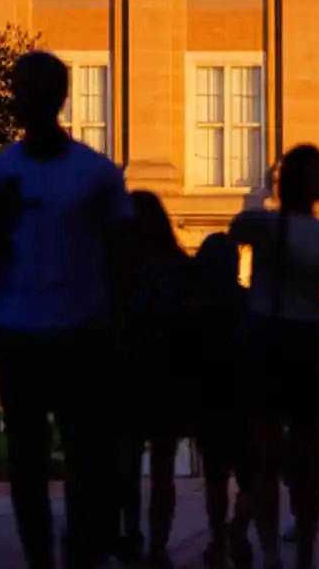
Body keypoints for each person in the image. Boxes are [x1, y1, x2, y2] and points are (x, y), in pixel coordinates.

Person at [0, 51, 134, 569]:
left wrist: (119, 329)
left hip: (82, 333)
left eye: (23, 88)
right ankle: (40, 558)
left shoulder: (95, 175)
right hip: (18, 333)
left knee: (86, 458)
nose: (16, 97)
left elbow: (123, 257)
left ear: (51, 98)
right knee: (28, 463)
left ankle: (79, 551)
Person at [230, 144, 319, 569]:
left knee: (263, 457)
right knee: (307, 461)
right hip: (307, 343)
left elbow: (234, 233)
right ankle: (304, 551)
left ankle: (267, 552)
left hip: (265, 340)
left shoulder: (259, 226)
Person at [115, 191, 202, 568]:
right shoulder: (182, 268)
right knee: (163, 469)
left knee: (127, 466)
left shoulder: (120, 269)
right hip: (170, 376)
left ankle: (131, 533)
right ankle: (157, 545)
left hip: (129, 374)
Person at [189, 231, 256, 569]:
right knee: (253, 479)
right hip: (245, 398)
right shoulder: (249, 302)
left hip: (208, 399)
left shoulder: (194, 308)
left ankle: (217, 539)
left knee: (215, 480)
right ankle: (239, 526)